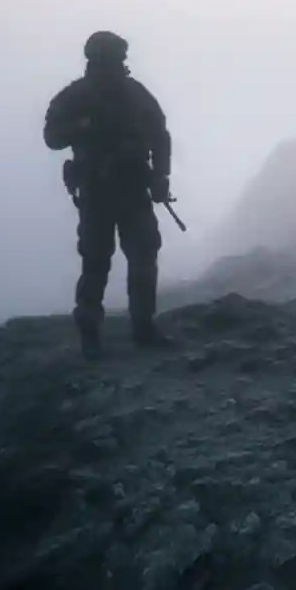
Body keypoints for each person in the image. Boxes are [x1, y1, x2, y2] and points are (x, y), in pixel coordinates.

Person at [43, 31, 174, 359]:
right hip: (96, 192)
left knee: (143, 256)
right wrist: (84, 127)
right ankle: (91, 334)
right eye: (113, 60)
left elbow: (160, 134)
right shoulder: (75, 98)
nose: (118, 66)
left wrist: (160, 176)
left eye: (119, 60)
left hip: (132, 189)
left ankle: (143, 326)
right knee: (96, 262)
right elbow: (52, 137)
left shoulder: (135, 94)